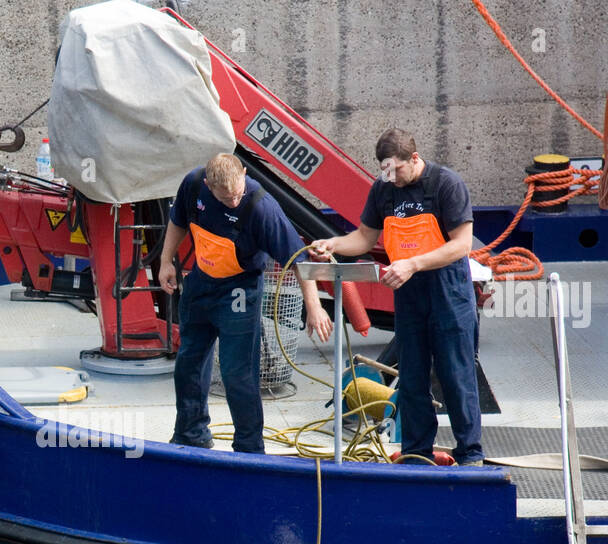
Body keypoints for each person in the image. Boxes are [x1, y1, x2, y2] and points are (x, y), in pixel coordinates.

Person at [310, 129, 484, 465]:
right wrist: (332, 244)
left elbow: (462, 245)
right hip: (409, 296)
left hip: (448, 293)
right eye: (385, 171)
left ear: (414, 159)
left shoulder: (445, 185)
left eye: (397, 170)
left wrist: (412, 264)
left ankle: (470, 453)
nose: (392, 178)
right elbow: (363, 238)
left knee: (456, 374)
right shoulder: (384, 190)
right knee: (413, 375)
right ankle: (416, 451)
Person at [158, 153, 332, 453]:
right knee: (188, 361)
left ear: (244, 173)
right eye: (226, 199)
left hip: (239, 290)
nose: (234, 202)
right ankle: (190, 434)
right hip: (201, 282)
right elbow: (178, 221)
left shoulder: (262, 208)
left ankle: (249, 447)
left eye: (237, 194)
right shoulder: (193, 184)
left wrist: (314, 307)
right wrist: (165, 261)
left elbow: (298, 260)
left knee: (237, 373)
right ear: (210, 187)